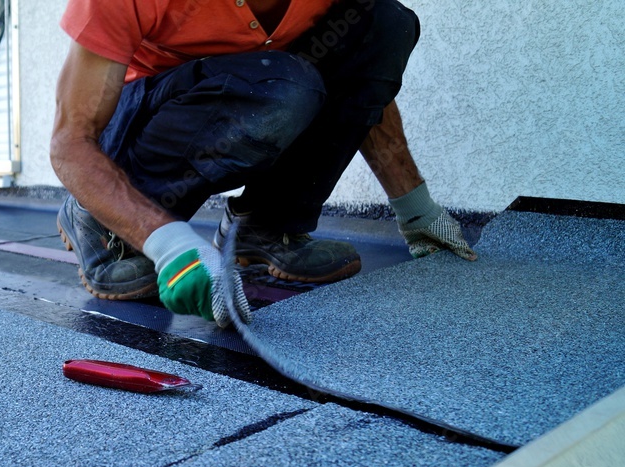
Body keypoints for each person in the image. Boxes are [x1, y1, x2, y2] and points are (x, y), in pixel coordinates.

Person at [50, 0, 476, 327]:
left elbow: (363, 81)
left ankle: (264, 225)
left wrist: (415, 207)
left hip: (261, 85)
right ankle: (102, 222)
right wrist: (171, 246)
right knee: (281, 87)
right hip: (139, 122)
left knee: (382, 22)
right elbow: (70, 142)